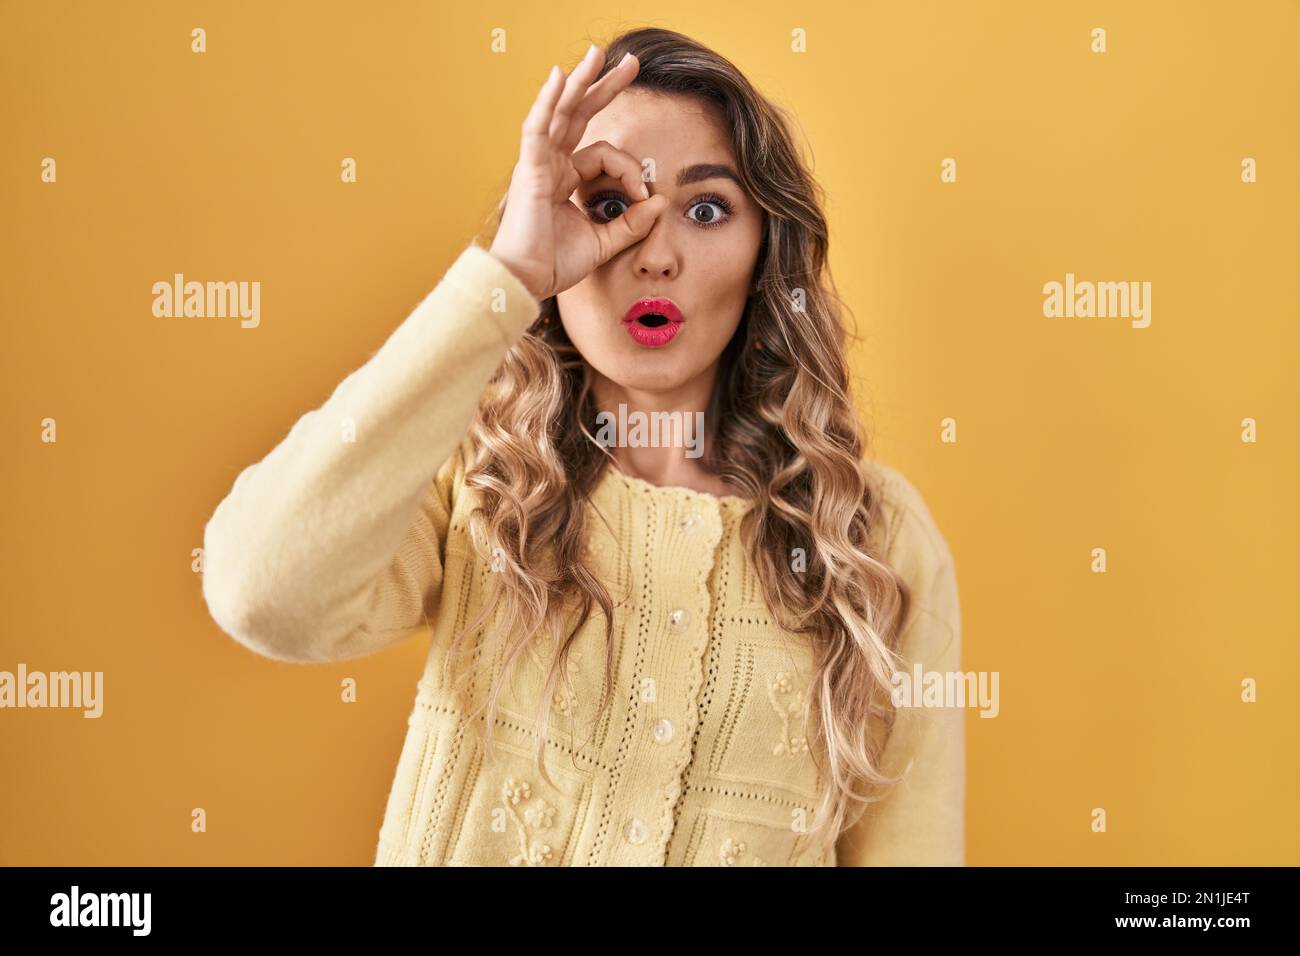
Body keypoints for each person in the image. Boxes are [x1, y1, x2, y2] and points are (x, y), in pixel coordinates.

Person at [201, 27, 964, 867]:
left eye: (707, 209)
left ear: (762, 254)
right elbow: (259, 590)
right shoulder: (478, 477)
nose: (657, 255)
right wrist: (510, 275)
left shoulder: (872, 537)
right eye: (611, 206)